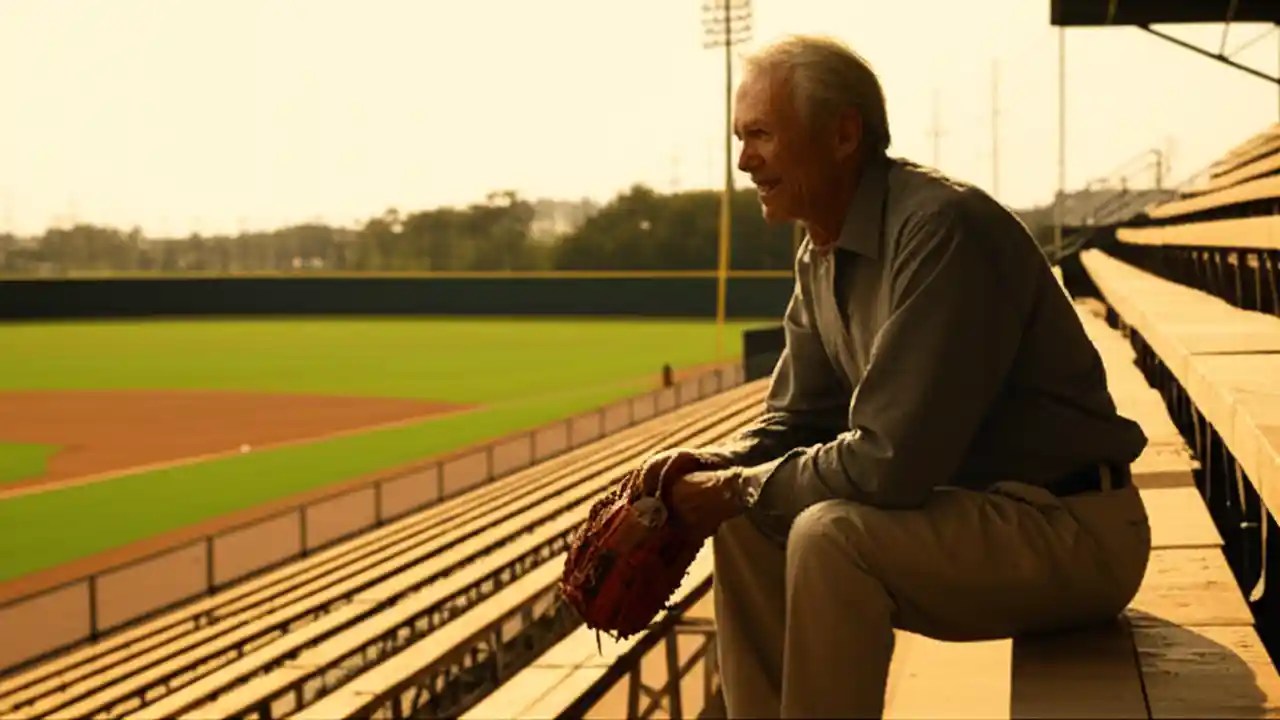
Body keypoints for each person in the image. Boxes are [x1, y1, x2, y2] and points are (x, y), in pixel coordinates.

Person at [647, 34, 1153, 719]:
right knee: (748, 524)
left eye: (761, 134)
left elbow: (892, 464)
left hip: (1071, 529)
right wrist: (700, 467)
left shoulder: (941, 227)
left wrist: (733, 487)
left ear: (843, 133)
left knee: (828, 535)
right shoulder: (818, 251)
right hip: (973, 522)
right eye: (742, 138)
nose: (744, 161)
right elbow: (796, 422)